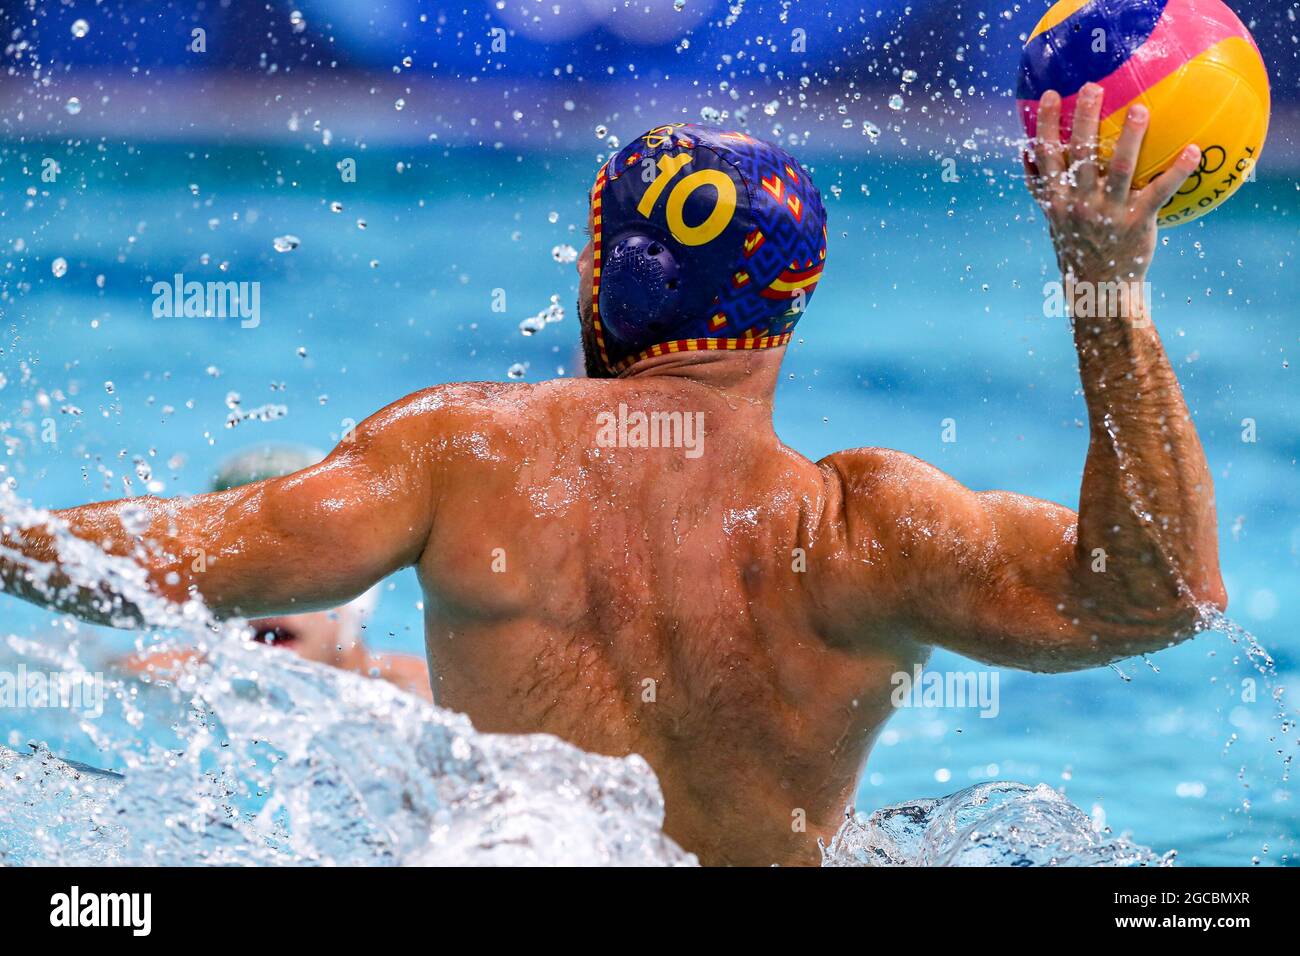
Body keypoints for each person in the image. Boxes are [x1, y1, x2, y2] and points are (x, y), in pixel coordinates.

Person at [0, 100, 1225, 866]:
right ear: (786, 309)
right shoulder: (865, 530)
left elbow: (167, 560)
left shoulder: (464, 453)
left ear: (605, 274)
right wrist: (1106, 288)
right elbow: (1156, 597)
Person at [119, 445, 431, 701]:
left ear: (358, 586)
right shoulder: (154, 682)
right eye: (235, 563)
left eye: (294, 562)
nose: (265, 594)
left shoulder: (420, 697)